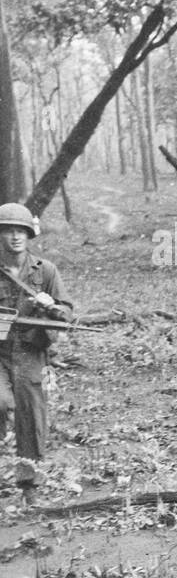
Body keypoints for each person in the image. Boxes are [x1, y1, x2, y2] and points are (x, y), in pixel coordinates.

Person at [0, 202, 73, 505]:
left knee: (32, 419)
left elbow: (67, 314)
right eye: (8, 231)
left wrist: (51, 306)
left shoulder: (46, 271)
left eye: (21, 231)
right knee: (1, 404)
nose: (15, 237)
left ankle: (29, 487)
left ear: (29, 235)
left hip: (31, 353)